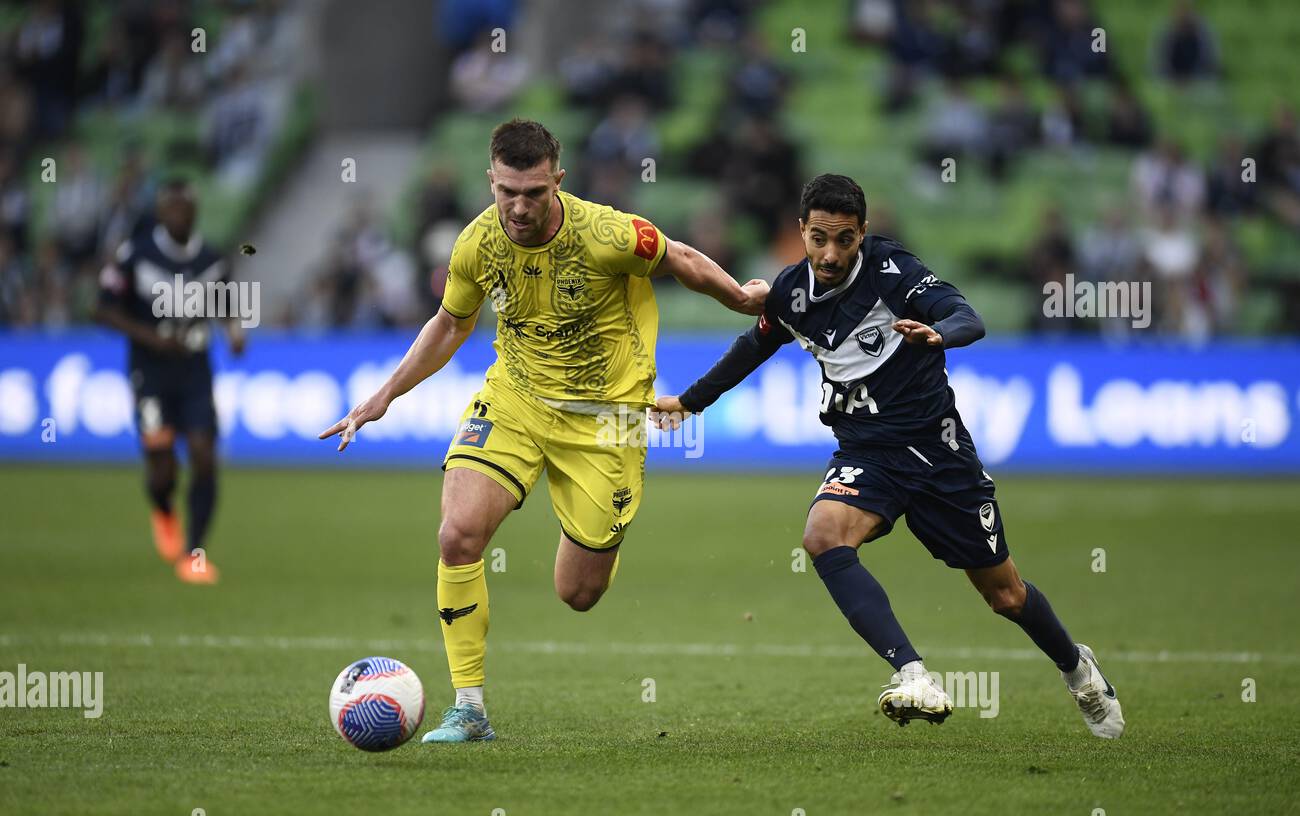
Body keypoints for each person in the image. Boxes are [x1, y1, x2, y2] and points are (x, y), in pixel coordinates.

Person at [319, 119, 768, 742]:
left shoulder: (608, 233)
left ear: (558, 180)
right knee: (457, 535)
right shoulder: (476, 244)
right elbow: (450, 324)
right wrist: (384, 396)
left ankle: (597, 534)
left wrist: (741, 300)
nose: (519, 207)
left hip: (605, 422)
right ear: (491, 181)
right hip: (516, 401)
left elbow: (682, 259)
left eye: (533, 192)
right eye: (507, 191)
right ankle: (469, 708)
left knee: (578, 593)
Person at [652, 173, 1124, 738]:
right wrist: (690, 401)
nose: (830, 254)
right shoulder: (792, 291)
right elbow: (755, 344)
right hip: (867, 452)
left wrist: (938, 333)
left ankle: (1077, 668)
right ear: (801, 231)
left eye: (844, 239)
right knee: (823, 535)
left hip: (938, 455)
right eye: (819, 238)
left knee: (1005, 595)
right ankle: (914, 675)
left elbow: (968, 317)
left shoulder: (891, 270)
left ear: (863, 233)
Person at [98, 179, 245, 585]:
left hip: (195, 370)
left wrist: (234, 332)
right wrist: (152, 338)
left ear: (195, 212)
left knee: (203, 455)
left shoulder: (211, 258)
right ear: (161, 212)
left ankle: (194, 553)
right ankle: (164, 509)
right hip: (151, 373)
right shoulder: (135, 253)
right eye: (172, 208)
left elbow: (227, 305)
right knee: (162, 471)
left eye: (186, 208)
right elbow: (102, 310)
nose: (179, 215)